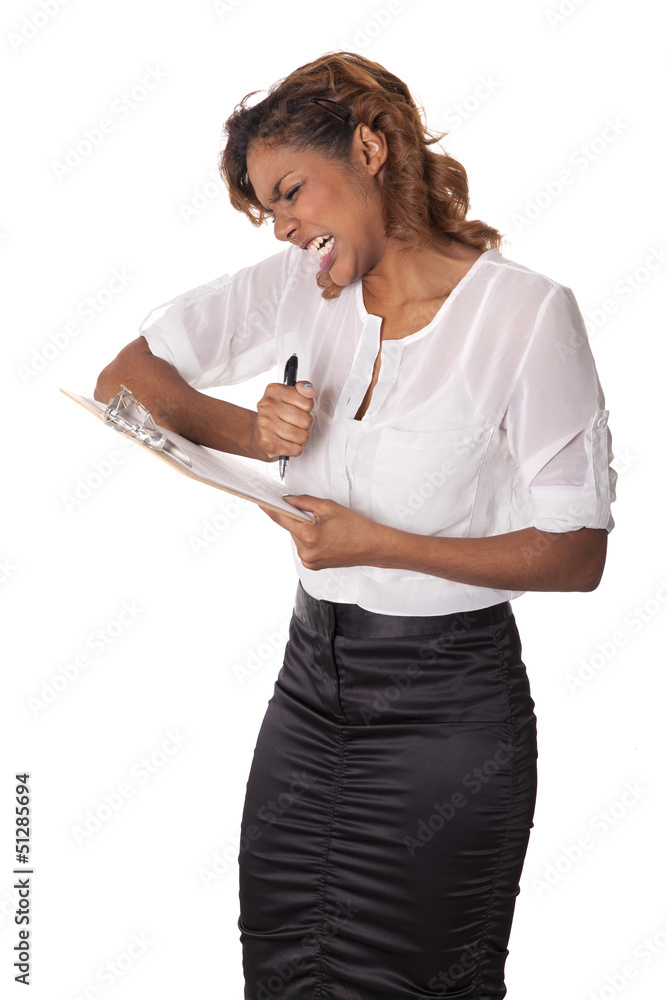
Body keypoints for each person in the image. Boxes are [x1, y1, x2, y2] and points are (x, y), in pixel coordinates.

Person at [94, 51, 616, 1000]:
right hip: (307, 700)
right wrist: (251, 432)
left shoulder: (526, 315)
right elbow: (124, 380)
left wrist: (378, 543)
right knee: (283, 971)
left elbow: (578, 553)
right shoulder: (298, 282)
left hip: (446, 720)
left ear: (370, 148)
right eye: (268, 211)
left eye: (290, 192)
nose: (286, 226)